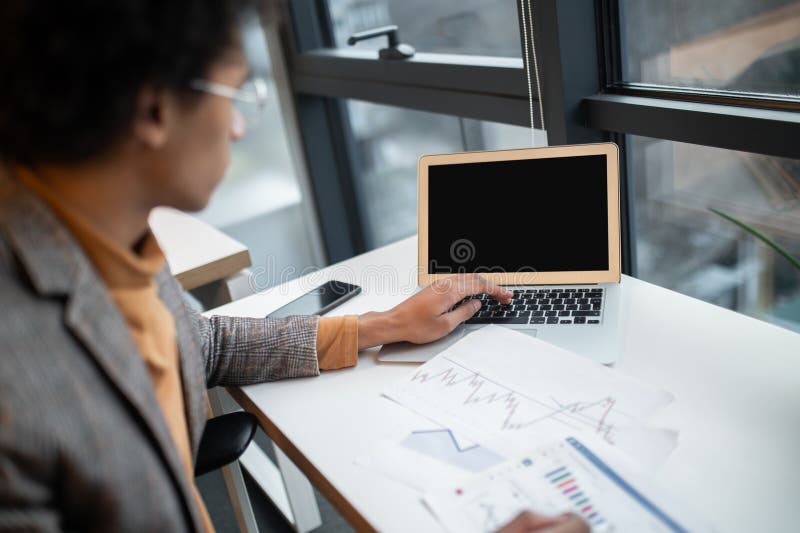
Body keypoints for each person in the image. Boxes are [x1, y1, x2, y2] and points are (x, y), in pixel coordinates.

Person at [0, 1, 587, 532]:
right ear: (153, 107)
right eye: (235, 95)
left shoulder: (104, 234)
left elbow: (199, 342)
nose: (238, 127)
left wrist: (383, 326)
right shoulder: (17, 393)